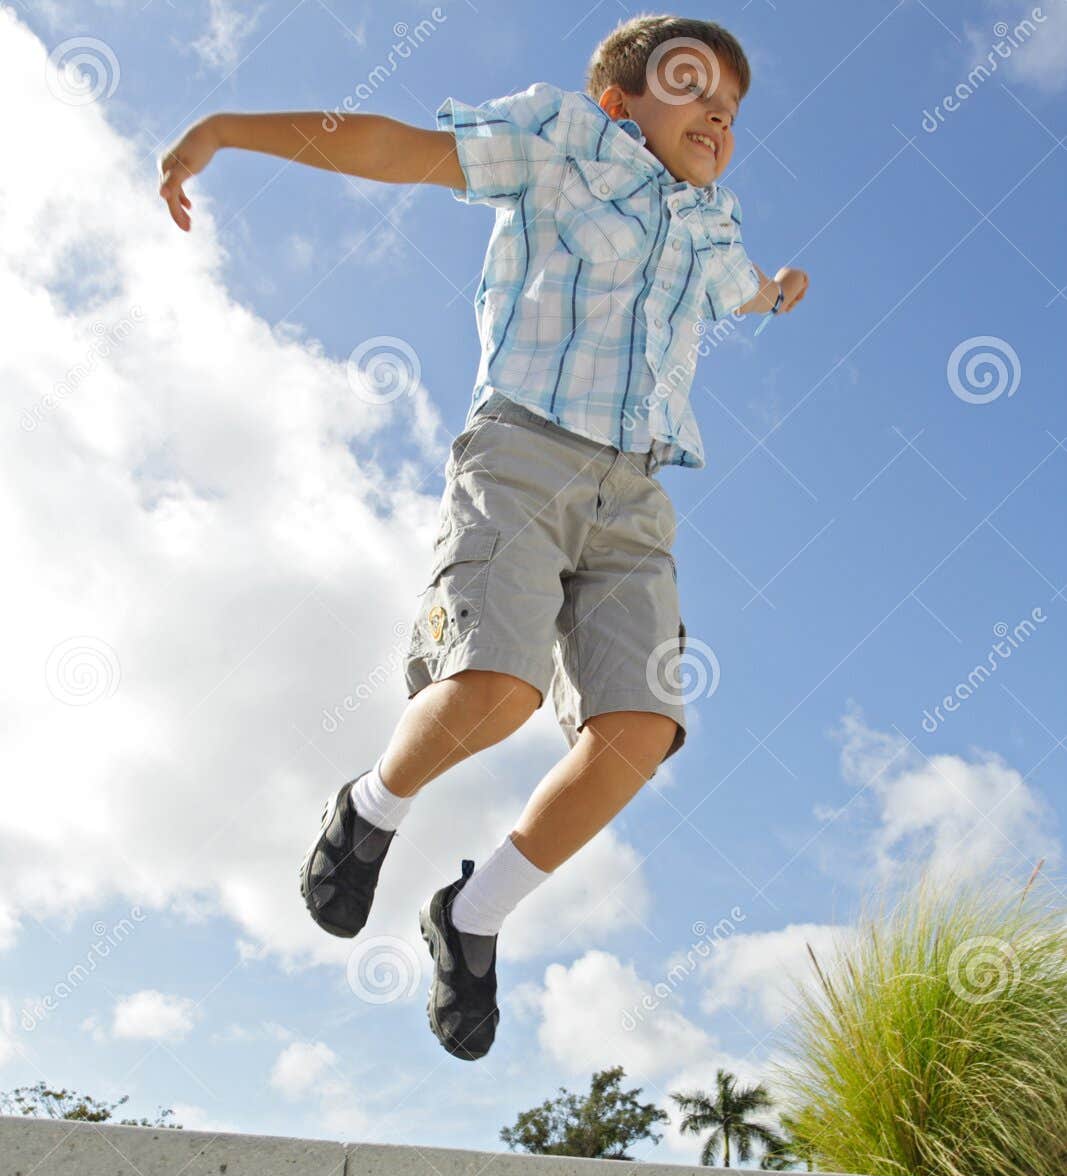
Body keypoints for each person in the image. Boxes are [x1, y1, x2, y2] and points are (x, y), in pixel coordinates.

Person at [158, 14, 809, 1064]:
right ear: (620, 101)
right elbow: (399, 149)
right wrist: (230, 127)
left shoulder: (710, 226)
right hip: (523, 452)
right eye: (693, 86)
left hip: (634, 495)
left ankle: (472, 917)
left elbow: (746, 294)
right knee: (495, 688)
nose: (718, 115)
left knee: (638, 730)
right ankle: (370, 809)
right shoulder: (561, 139)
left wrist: (778, 292)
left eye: (732, 111)